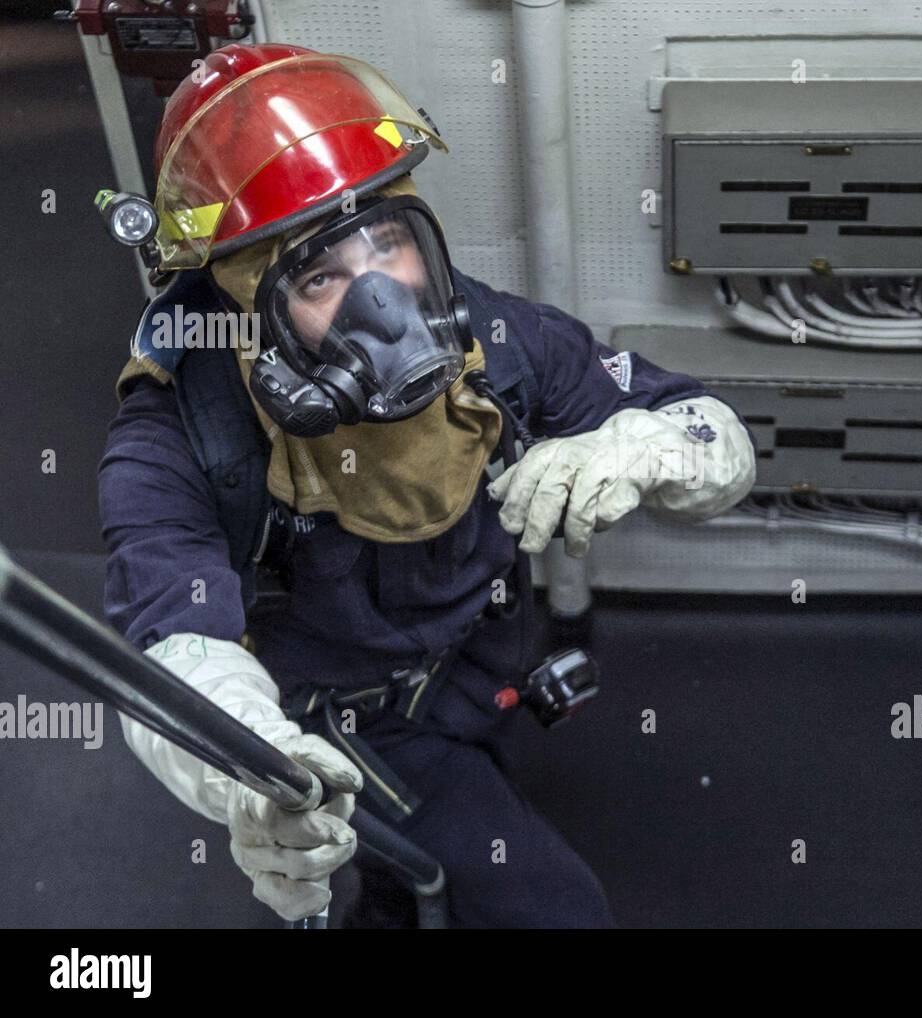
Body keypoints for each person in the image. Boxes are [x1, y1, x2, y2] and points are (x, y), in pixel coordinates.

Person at [98, 43, 755, 928]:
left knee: (418, 877)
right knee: (557, 912)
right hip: (341, 727)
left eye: (388, 245)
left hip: (476, 674)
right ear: (246, 303)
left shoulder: (499, 341)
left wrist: (644, 446)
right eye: (322, 276)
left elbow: (705, 423)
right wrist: (249, 772)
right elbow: (175, 654)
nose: (382, 301)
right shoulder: (185, 431)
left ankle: (395, 900)